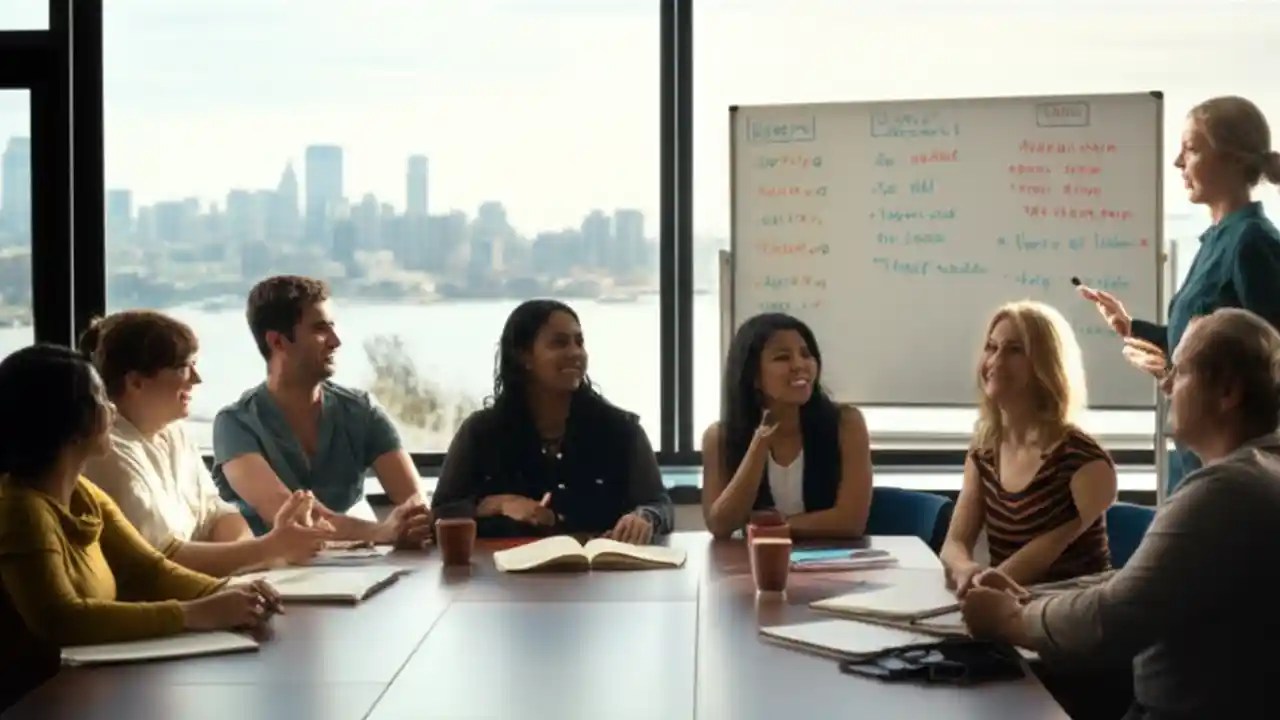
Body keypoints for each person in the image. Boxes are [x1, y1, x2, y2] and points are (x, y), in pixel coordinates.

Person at [962, 308, 1280, 719]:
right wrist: (1031, 597)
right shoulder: (1257, 472)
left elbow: (1114, 617)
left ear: (1228, 392)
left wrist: (1011, 620)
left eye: (1179, 372)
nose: (1166, 385)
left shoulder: (1224, 492)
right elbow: (1136, 584)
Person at [0, 345, 281, 707]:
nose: (113, 409)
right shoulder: (20, 510)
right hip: (39, 703)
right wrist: (194, 613)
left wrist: (231, 592)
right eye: (101, 399)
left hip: (89, 690)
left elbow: (150, 570)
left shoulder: (84, 494)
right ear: (71, 421)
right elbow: (62, 619)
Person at [1080, 95, 1280, 491]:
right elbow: (1201, 344)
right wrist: (1131, 327)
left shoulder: (1251, 243)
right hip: (1198, 458)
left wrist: (1175, 377)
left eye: (1190, 149)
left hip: (1234, 465)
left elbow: (1268, 365)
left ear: (1232, 158)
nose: (1177, 162)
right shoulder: (1215, 241)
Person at [79, 310, 333, 576]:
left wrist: (258, 553)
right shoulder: (106, 454)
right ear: (136, 382)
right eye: (183, 367)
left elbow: (217, 515)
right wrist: (269, 549)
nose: (196, 378)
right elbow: (158, 563)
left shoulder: (173, 433)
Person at [212, 275, 431, 546]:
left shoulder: (361, 411)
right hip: (271, 568)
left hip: (357, 563)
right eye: (320, 329)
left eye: (332, 327)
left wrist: (413, 523)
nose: (335, 341)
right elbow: (291, 517)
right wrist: (380, 532)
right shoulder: (236, 424)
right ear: (277, 342)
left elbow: (415, 506)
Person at [432, 299, 674, 543]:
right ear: (524, 356)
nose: (575, 353)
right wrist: (498, 504)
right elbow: (441, 512)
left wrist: (645, 517)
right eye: (559, 343)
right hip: (505, 566)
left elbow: (660, 504)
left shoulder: (621, 430)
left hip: (600, 565)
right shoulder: (481, 432)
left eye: (579, 342)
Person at [940, 300, 1116, 595]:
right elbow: (955, 543)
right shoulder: (984, 448)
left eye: (1014, 350)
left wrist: (984, 586)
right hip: (1009, 602)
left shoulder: (1085, 462)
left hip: (1073, 607)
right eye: (991, 347)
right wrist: (965, 570)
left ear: (1045, 365)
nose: (996, 361)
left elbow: (1032, 564)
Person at [700, 312, 873, 539]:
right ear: (753, 376)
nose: (799, 365)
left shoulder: (847, 424)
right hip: (754, 558)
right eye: (782, 357)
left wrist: (771, 526)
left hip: (830, 557)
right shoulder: (720, 437)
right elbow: (720, 525)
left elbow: (851, 521)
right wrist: (758, 445)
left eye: (806, 354)